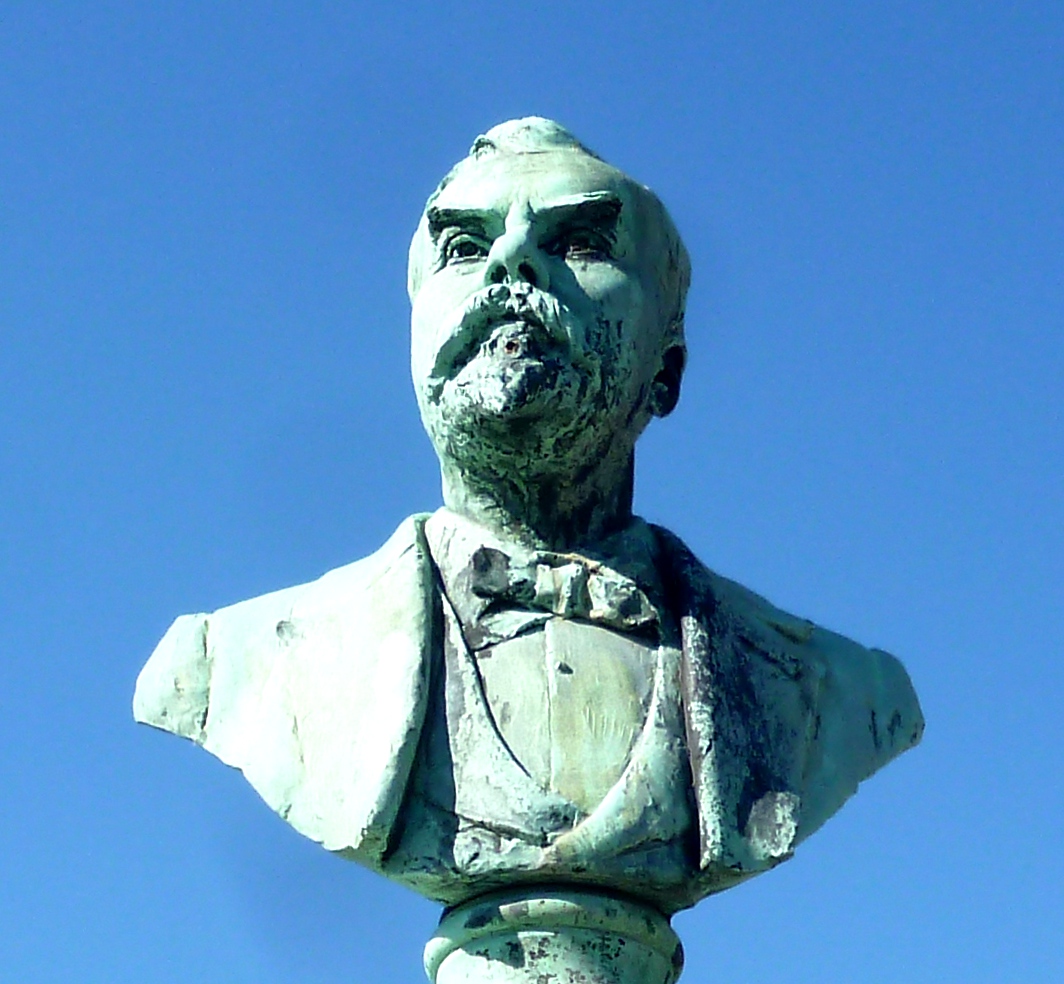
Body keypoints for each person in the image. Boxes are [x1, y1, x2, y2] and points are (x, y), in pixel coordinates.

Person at [134, 118, 922, 915]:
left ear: (668, 366)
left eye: (580, 243)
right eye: (464, 249)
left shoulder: (832, 691)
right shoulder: (235, 663)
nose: (512, 262)